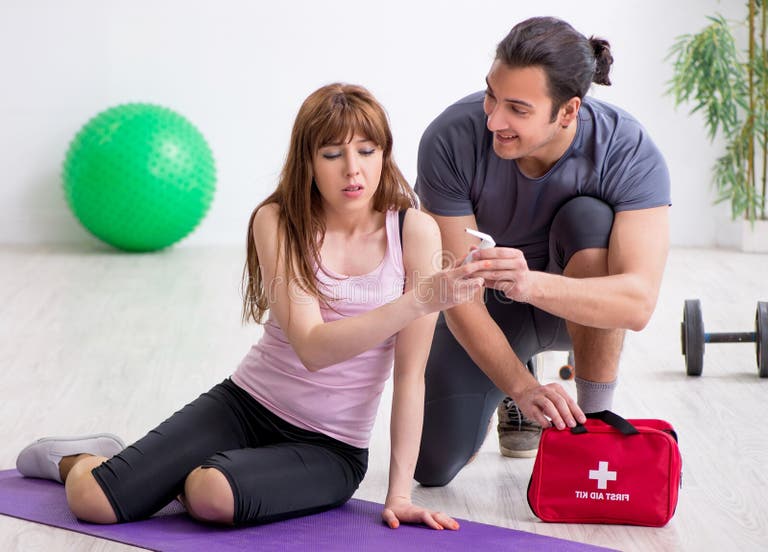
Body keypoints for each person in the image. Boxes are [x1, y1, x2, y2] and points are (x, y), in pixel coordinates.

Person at [16, 83, 486, 529]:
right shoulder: (278, 220)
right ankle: (85, 459)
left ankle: (171, 473)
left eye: (367, 151)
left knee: (209, 492)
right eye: (332, 154)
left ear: (384, 154)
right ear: (308, 161)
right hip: (245, 405)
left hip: (330, 448)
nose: (353, 170)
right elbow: (312, 348)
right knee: (93, 501)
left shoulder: (413, 231)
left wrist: (399, 496)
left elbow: (410, 375)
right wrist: (419, 301)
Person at [413, 16, 670, 485]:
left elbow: (637, 303)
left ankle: (595, 422)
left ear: (568, 111)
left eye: (517, 108)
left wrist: (527, 283)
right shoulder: (449, 140)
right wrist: (523, 387)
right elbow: (460, 298)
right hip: (487, 307)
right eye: (492, 95)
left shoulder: (626, 148)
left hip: (572, 301)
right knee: (431, 467)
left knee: (589, 217)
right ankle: (516, 382)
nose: (494, 119)